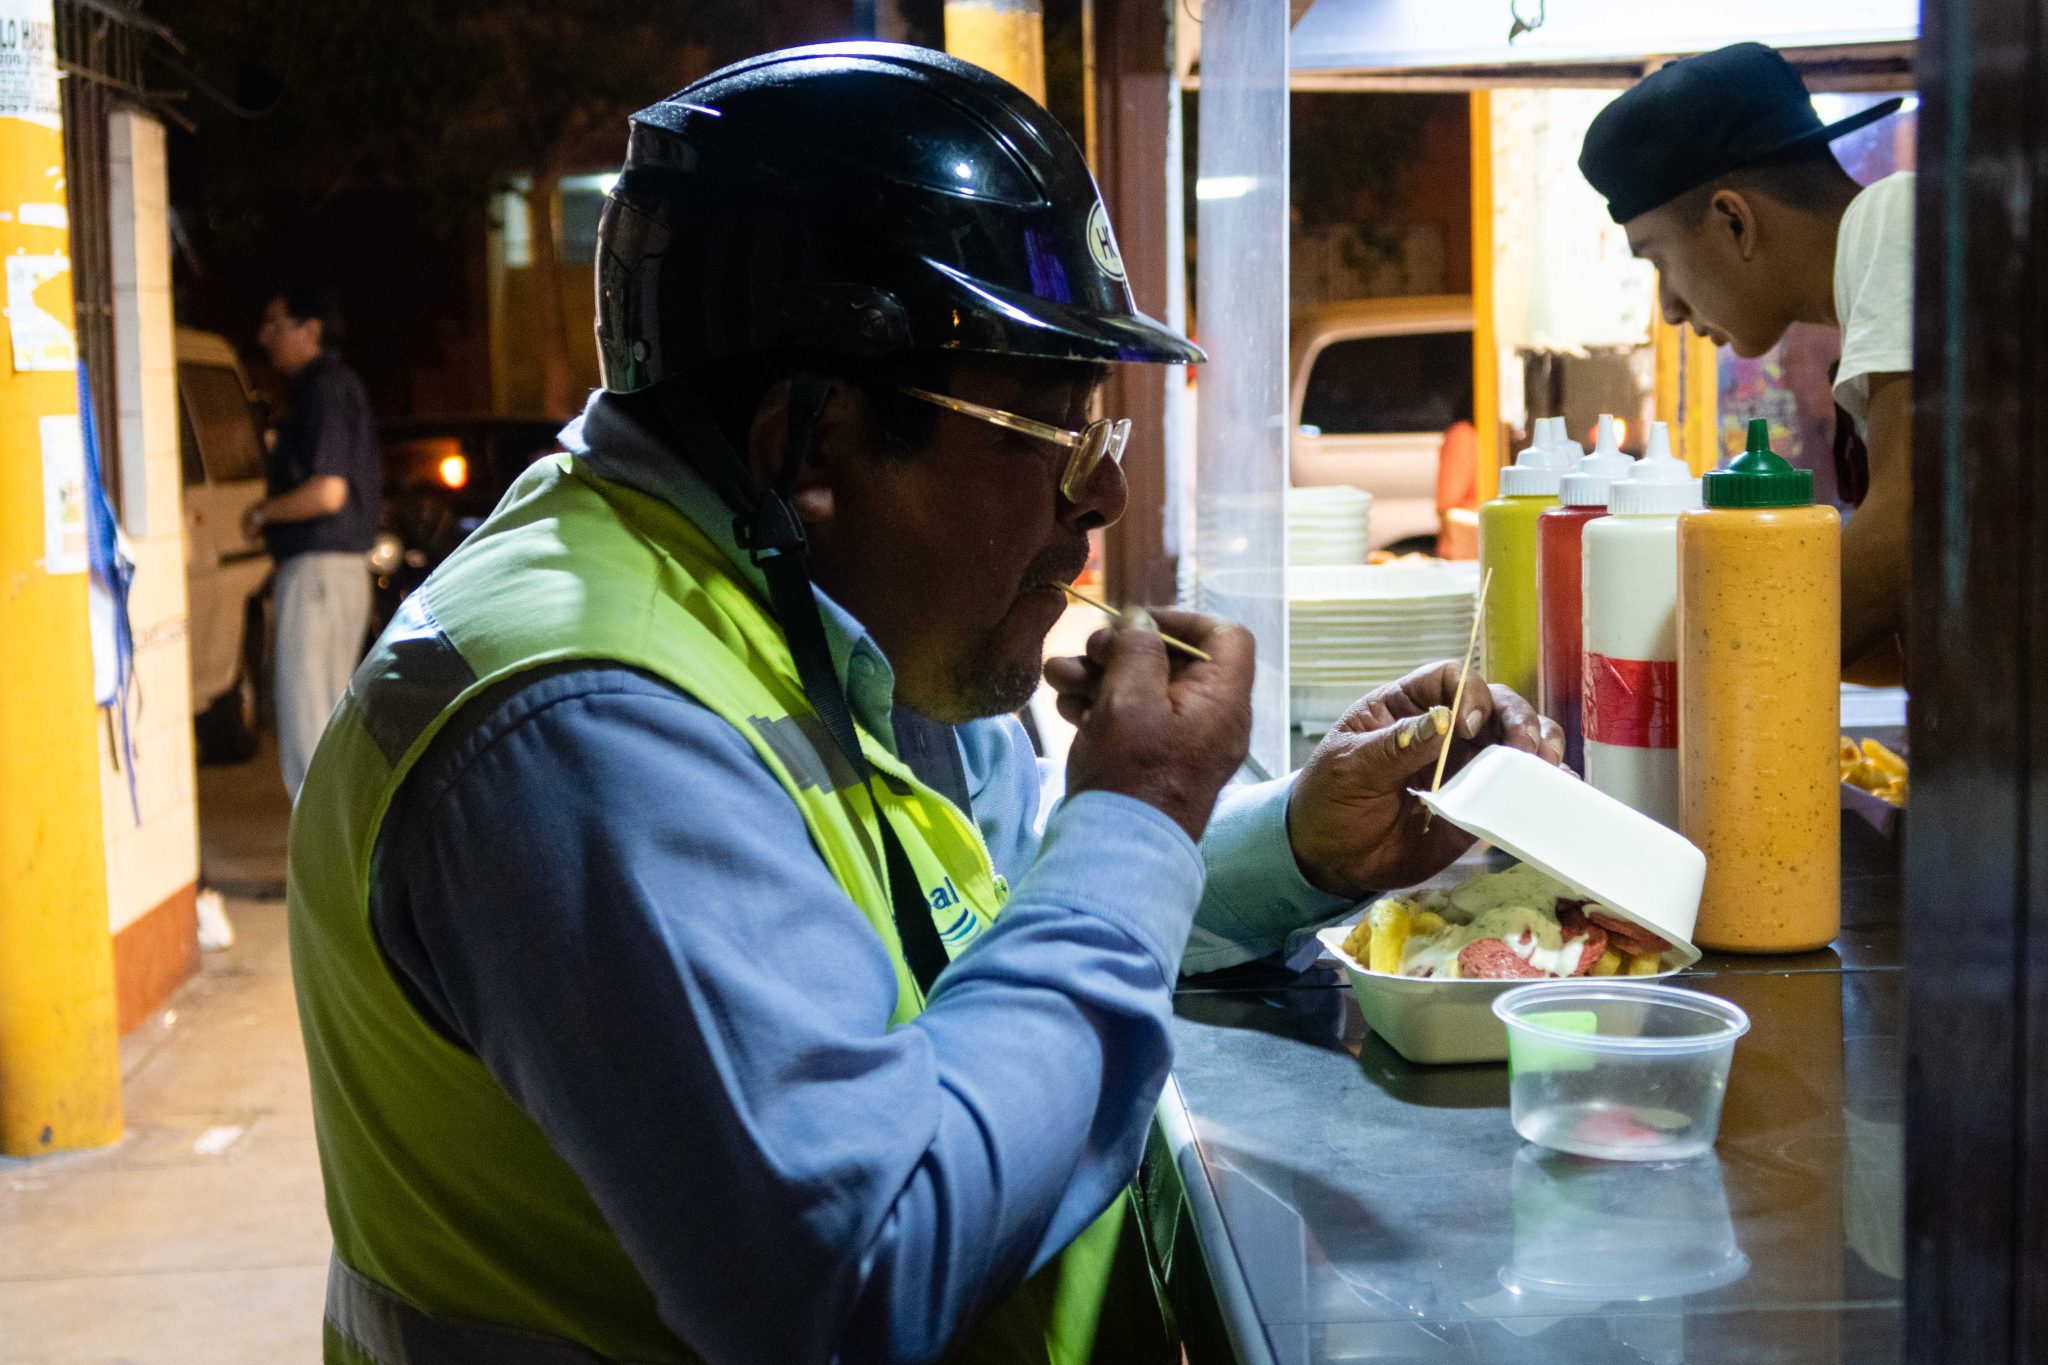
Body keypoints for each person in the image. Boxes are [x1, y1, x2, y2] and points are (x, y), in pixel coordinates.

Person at [289, 44, 1563, 1365]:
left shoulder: (831, 601)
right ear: (816, 438)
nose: (1100, 497)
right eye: (1059, 432)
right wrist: (1138, 814)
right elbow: (860, 1272)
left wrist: (1288, 840)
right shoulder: (579, 730)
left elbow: (1020, 932)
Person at [1578, 42, 1911, 675]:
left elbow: (1913, 524)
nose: (1670, 307)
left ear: (1734, 220)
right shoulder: (1865, 292)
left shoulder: (1891, 219)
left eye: (1658, 260)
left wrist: (1695, 668)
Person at [247, 284, 382, 796]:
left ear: (311, 330)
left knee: (308, 724)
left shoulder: (325, 390)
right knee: (327, 719)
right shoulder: (332, 388)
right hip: (340, 570)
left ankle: (319, 863)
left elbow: (328, 492)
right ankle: (336, 860)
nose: (265, 336)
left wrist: (263, 513)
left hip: (319, 569)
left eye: (275, 323)